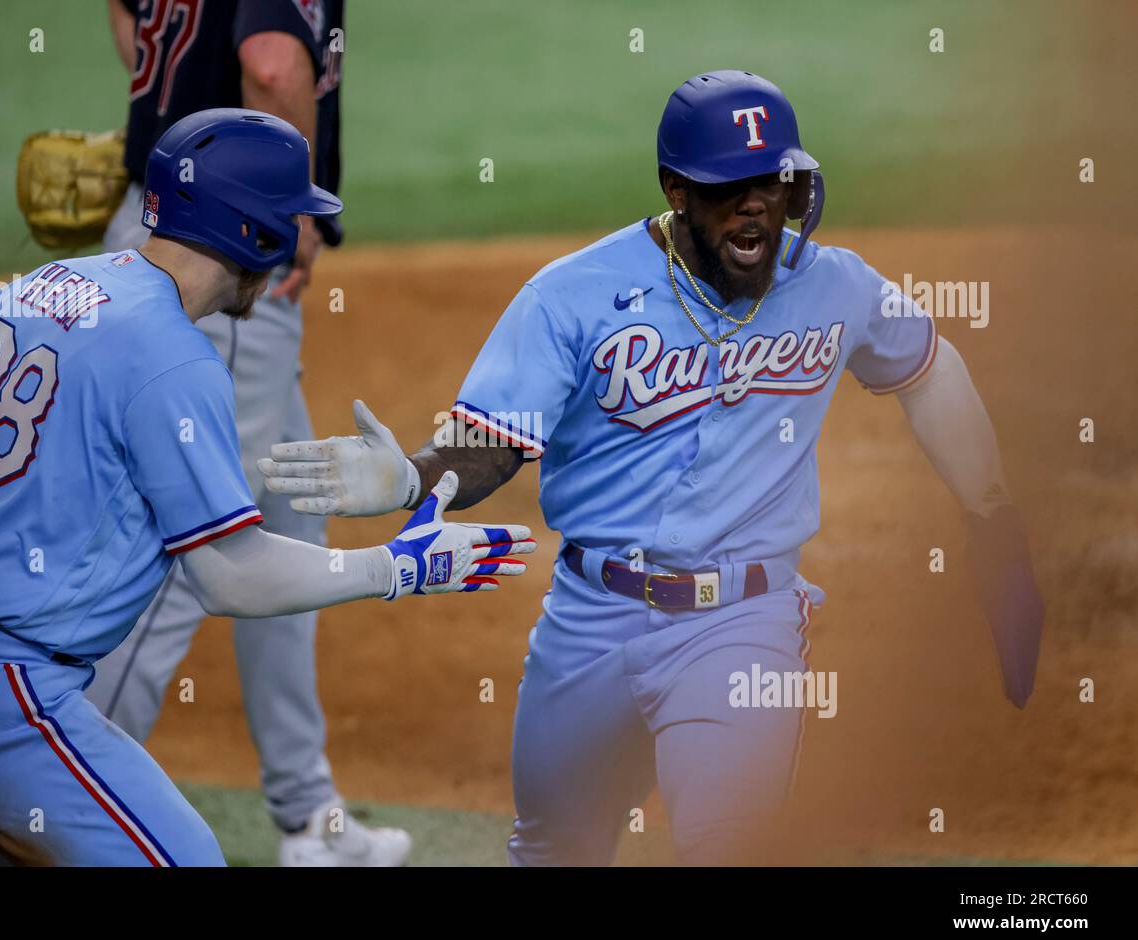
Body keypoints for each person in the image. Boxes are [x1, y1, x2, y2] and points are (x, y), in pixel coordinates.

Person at [259, 70, 1045, 865]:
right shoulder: (572, 296)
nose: (756, 204)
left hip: (742, 623)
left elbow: (928, 366)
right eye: (729, 186)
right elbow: (497, 439)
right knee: (552, 848)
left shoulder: (834, 286)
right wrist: (411, 478)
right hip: (586, 622)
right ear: (676, 189)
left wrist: (994, 515)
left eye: (775, 181)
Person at [0, 109, 533, 866]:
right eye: (293, 220)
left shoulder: (36, 288)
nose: (300, 237)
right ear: (256, 235)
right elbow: (228, 572)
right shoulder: (178, 358)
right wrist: (401, 566)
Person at [97, 1, 393, 866]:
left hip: (173, 220)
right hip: (228, 257)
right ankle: (64, 785)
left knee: (292, 509)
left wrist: (164, 127)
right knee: (196, 547)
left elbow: (129, 14)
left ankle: (309, 815)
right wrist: (286, 216)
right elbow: (272, 65)